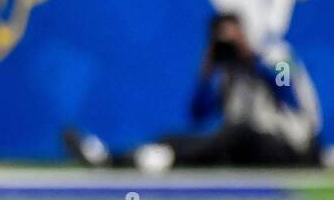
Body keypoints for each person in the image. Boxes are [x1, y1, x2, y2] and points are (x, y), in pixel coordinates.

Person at [65, 12, 321, 170]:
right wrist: (206, 74)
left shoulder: (277, 57)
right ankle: (113, 158)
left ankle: (161, 160)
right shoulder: (227, 73)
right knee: (176, 139)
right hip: (243, 145)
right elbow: (199, 115)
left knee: (237, 132)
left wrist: (251, 59)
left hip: (291, 146)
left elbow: (287, 95)